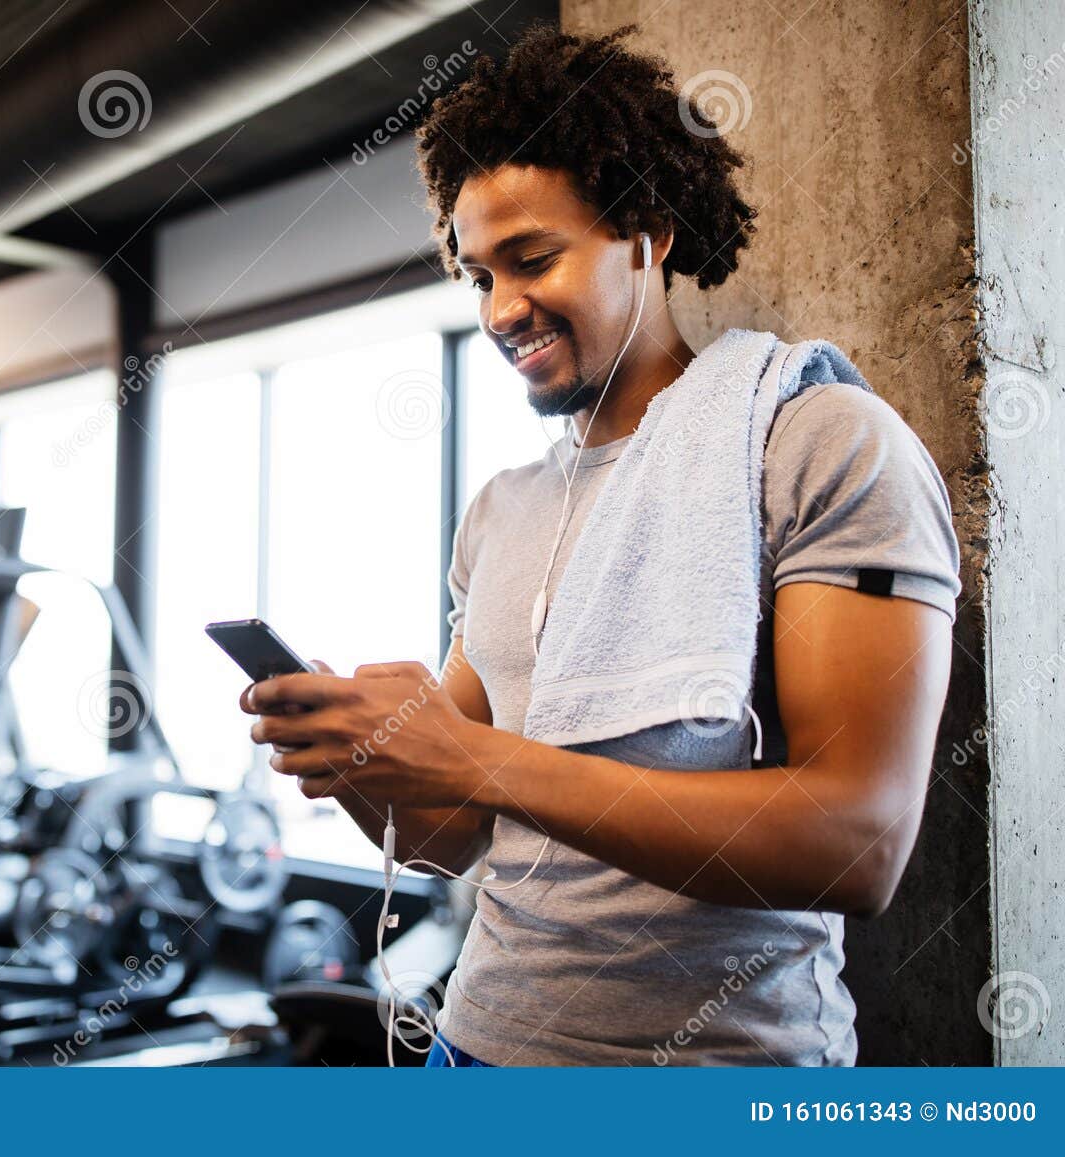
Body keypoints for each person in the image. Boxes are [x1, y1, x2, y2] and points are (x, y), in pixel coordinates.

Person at [239, 25, 959, 1067]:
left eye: (532, 260)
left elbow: (858, 842)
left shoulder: (814, 441)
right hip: (472, 1049)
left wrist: (473, 754)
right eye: (476, 273)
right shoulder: (501, 508)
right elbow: (453, 835)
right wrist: (359, 757)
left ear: (646, 234)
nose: (500, 309)